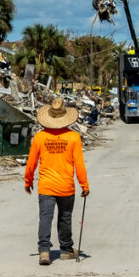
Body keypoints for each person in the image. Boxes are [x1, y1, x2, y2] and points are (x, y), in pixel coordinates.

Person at [24, 98, 89, 266]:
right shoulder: (73, 137)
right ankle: (66, 250)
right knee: (65, 218)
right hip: (66, 186)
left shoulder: (40, 137)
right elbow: (79, 164)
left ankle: (44, 251)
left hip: (46, 186)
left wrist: (28, 180)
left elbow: (31, 162)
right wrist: (84, 185)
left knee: (45, 217)